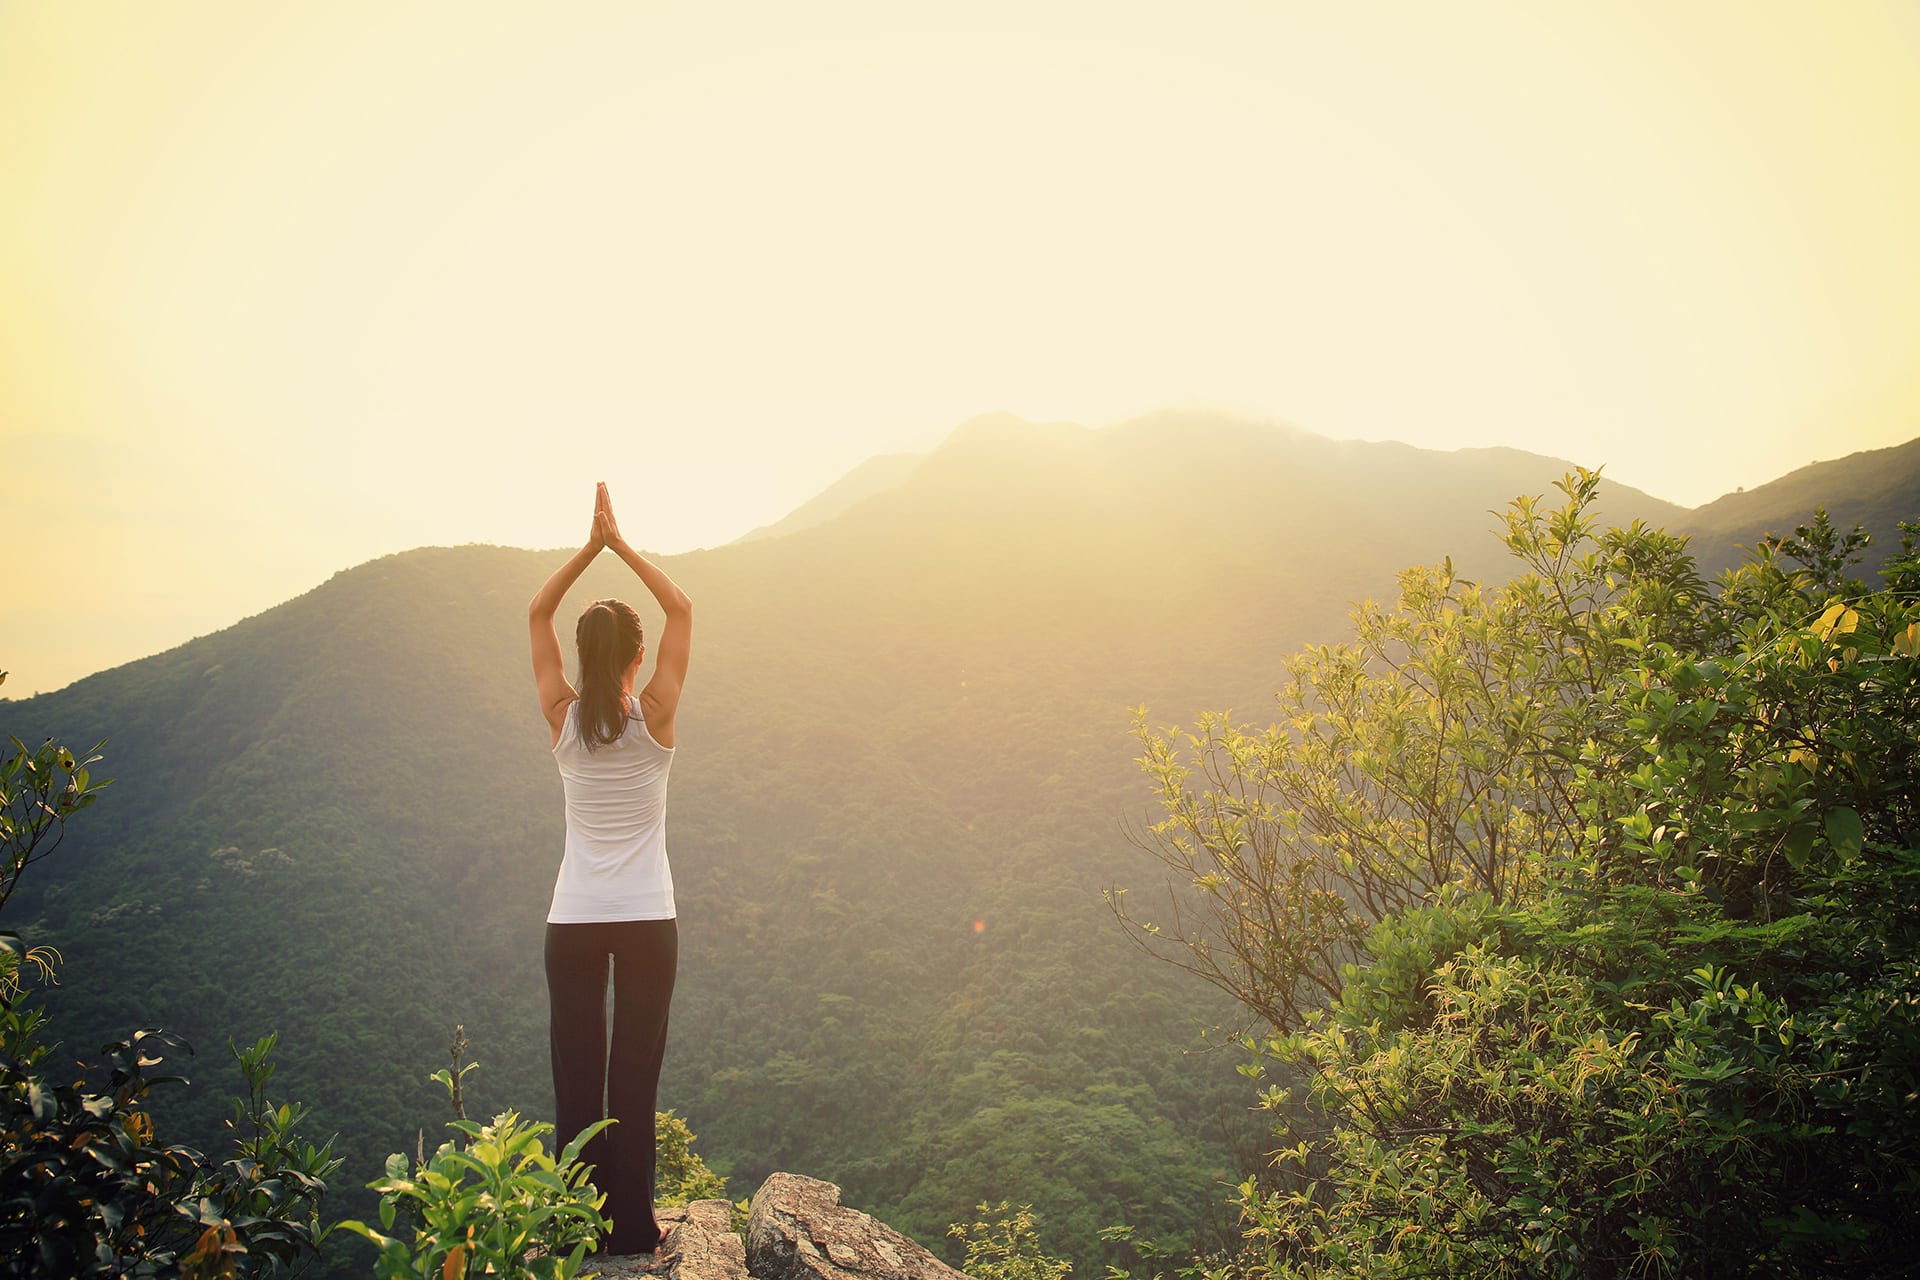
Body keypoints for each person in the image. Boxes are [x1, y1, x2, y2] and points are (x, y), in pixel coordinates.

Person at [528, 482, 693, 1256]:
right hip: (647, 918)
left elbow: (535, 615)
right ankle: (633, 1226)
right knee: (634, 1075)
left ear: (581, 656)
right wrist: (621, 546)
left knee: (577, 1079)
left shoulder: (562, 717)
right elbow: (683, 610)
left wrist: (587, 551)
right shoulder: (653, 714)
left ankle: (576, 1224)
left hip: (574, 920)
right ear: (635, 657)